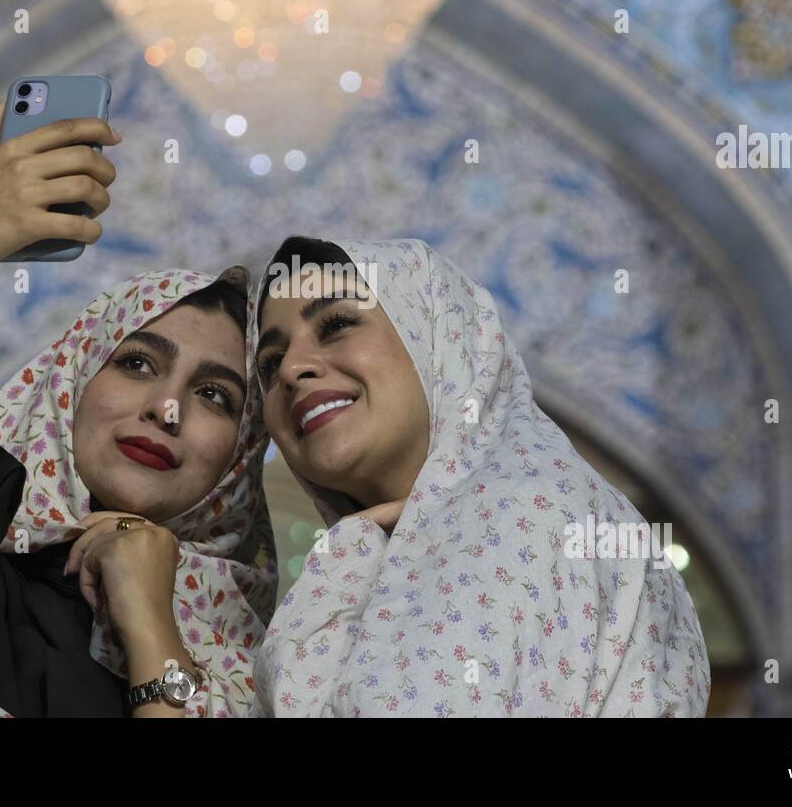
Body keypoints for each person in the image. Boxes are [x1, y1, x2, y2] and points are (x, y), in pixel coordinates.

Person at [0, 102, 275, 717]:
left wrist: (147, 616)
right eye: (137, 363)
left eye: (215, 396)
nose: (168, 408)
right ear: (69, 385)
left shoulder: (270, 662)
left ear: (240, 461)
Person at [249, 235, 711, 716]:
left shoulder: (523, 512)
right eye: (270, 362)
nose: (293, 369)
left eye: (337, 324)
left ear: (437, 338)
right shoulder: (382, 556)